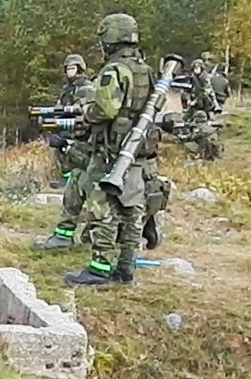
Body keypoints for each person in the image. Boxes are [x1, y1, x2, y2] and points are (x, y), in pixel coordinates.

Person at [64, 13, 156, 286]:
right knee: (132, 209)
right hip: (137, 149)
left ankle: (99, 267)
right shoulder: (144, 69)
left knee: (101, 207)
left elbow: (105, 109)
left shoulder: (114, 71)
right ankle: (126, 267)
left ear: (111, 38)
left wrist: (85, 113)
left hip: (112, 150)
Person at [39, 53, 95, 250]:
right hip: (68, 126)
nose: (69, 72)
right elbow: (61, 106)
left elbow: (83, 112)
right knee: (61, 151)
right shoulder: (67, 88)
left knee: (72, 155)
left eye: (72, 68)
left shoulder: (86, 88)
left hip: (80, 133)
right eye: (67, 69)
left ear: (80, 68)